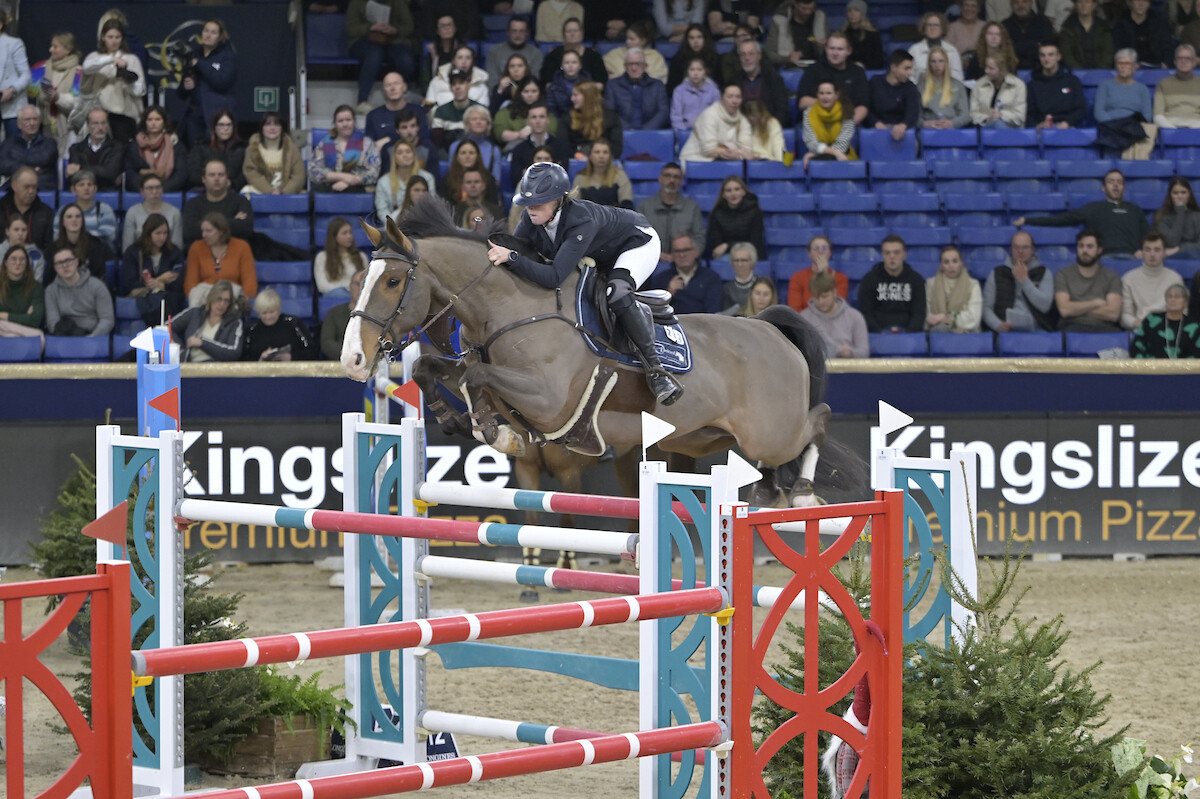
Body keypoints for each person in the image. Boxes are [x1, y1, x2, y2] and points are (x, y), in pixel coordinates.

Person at [488, 162, 684, 405]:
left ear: (558, 200)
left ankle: (657, 371)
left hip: (637, 243)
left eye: (538, 202)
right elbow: (519, 253)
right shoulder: (531, 218)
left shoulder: (581, 220)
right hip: (601, 252)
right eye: (528, 203)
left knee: (617, 291)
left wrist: (512, 258)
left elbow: (553, 277)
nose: (530, 208)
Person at [1016, 169, 1148, 257]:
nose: (1115, 185)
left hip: (1133, 258)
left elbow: (1148, 235)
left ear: (1124, 188)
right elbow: (1062, 219)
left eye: (1119, 182)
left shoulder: (1135, 210)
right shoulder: (1093, 208)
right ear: (1103, 188)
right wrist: (1028, 220)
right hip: (1104, 259)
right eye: (1111, 182)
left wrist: (1143, 251)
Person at [81, 19, 145, 145]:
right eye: (110, 37)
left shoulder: (132, 59)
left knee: (123, 150)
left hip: (124, 114)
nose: (114, 41)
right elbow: (87, 67)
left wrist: (129, 80)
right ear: (103, 37)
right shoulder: (95, 57)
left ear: (122, 38)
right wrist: (111, 59)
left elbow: (139, 91)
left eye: (117, 37)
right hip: (98, 113)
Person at [176, 19, 237, 149]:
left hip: (216, 115)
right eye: (206, 31)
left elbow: (222, 82)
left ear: (220, 36)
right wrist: (186, 86)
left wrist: (199, 63)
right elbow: (181, 93)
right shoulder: (194, 54)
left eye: (213, 32)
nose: (208, 35)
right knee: (195, 153)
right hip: (194, 115)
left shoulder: (227, 56)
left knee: (216, 152)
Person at [345, 0, 416, 111]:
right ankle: (362, 101)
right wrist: (370, 27)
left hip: (394, 41)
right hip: (364, 41)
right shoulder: (357, 2)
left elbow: (409, 26)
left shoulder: (398, 2)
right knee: (374, 55)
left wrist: (394, 29)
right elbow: (350, 28)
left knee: (406, 60)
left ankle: (400, 97)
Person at [981, 231, 1056, 332]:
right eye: (1016, 247)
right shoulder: (997, 273)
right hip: (1004, 329)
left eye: (1025, 247)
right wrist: (997, 325)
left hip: (1036, 330)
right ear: (1011, 249)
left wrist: (1024, 281)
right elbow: (986, 307)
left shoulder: (1044, 273)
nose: (1020, 251)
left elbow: (1045, 306)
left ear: (1032, 249)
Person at [121, 212, 185, 326]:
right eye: (158, 233)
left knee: (171, 299)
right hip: (143, 294)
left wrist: (163, 285)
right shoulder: (133, 252)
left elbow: (178, 281)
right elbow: (128, 283)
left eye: (165, 233)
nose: (162, 237)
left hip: (168, 295)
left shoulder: (174, 252)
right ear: (148, 233)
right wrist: (159, 280)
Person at [1053, 228, 1123, 332]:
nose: (1084, 250)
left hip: (1104, 329)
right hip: (1072, 327)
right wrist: (1095, 303)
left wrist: (1076, 308)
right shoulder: (1063, 274)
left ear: (1099, 250)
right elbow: (1064, 310)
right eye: (1081, 246)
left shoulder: (1111, 276)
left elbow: (1113, 314)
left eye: (1090, 246)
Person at [796, 31, 870, 127]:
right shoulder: (813, 70)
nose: (835, 53)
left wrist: (846, 126)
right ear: (826, 49)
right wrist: (829, 103)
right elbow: (802, 102)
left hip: (847, 123)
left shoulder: (857, 72)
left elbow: (863, 107)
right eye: (831, 48)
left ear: (849, 51)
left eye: (840, 49)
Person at [856, 235, 926, 333]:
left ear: (904, 254)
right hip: (877, 334)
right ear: (882, 255)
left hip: (909, 334)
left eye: (896, 252)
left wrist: (908, 334)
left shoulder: (916, 280)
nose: (892, 256)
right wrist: (878, 332)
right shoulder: (869, 280)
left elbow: (919, 313)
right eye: (887, 253)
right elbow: (865, 313)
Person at [184, 212, 256, 307]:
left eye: (208, 231)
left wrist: (243, 299)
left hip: (231, 295)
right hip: (204, 296)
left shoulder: (242, 247)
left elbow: (250, 282)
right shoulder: (196, 247)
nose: (204, 235)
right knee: (196, 293)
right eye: (203, 231)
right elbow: (190, 283)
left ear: (221, 232)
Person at [1094, 49, 1156, 158]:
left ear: (1135, 66)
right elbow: (1099, 111)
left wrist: (1130, 128)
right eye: (1120, 63)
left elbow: (1146, 114)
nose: (1123, 67)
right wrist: (1115, 126)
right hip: (1111, 127)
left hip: (1134, 128)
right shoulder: (1105, 85)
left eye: (1127, 63)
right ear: (1115, 66)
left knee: (1148, 130)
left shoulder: (1142, 89)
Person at [637, 162, 703, 262]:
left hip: (684, 262)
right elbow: (638, 237)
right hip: (650, 260)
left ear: (681, 181)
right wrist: (656, 254)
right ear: (660, 178)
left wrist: (682, 256)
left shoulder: (692, 207)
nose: (672, 180)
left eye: (676, 177)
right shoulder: (644, 206)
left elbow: (699, 239)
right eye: (667, 176)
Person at [181, 159, 254, 249]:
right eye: (212, 175)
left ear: (227, 178)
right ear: (204, 179)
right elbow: (189, 232)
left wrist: (206, 228)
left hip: (233, 252)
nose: (216, 179)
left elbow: (245, 229)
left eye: (221, 175)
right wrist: (232, 221)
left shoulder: (241, 202)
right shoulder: (193, 204)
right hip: (202, 253)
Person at [44, 245, 114, 337]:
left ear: (76, 262)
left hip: (93, 336)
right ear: (55, 268)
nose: (64, 265)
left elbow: (107, 319)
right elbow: (52, 323)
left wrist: (92, 337)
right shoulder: (51, 291)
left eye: (68, 260)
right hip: (64, 336)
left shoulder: (97, 286)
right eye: (59, 263)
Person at [169, 278, 245, 361]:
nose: (222, 304)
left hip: (216, 367)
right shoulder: (195, 313)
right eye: (219, 299)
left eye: (226, 301)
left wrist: (202, 343)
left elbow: (234, 352)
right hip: (189, 364)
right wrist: (178, 348)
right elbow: (167, 327)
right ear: (211, 298)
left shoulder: (234, 322)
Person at [678, 84, 754, 166]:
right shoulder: (709, 115)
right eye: (730, 97)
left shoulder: (742, 120)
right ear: (721, 98)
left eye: (738, 97)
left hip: (726, 163)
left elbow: (748, 153)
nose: (734, 101)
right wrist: (736, 151)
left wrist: (734, 153)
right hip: (696, 160)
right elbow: (709, 151)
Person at [1121, 232, 1185, 329]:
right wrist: (1138, 324)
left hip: (1169, 329)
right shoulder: (1128, 279)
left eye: (1157, 250)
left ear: (1164, 253)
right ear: (1142, 252)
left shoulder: (1175, 279)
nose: (1152, 254)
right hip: (1140, 328)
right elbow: (1125, 314)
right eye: (1147, 250)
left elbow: (1184, 310)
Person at [309, 105, 379, 193]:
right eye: (340, 121)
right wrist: (343, 177)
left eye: (348, 120)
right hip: (328, 189)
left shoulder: (367, 144)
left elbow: (374, 173)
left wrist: (349, 182)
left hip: (358, 190)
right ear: (335, 123)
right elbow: (313, 171)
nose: (345, 124)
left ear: (354, 121)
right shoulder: (324, 144)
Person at [650, 232, 724, 315]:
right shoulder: (660, 279)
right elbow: (654, 312)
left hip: (702, 322)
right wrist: (669, 294)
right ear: (672, 255)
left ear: (696, 252)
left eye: (686, 250)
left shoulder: (711, 278)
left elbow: (713, 311)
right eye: (677, 251)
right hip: (673, 322)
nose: (682, 255)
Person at [800, 270, 869, 358]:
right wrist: (835, 352)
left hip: (848, 365)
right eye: (816, 297)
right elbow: (802, 353)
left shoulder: (855, 317)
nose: (821, 301)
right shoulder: (804, 319)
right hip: (817, 366)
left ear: (834, 292)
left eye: (824, 296)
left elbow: (864, 352)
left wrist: (850, 353)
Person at [47, 203, 114, 289]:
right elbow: (50, 280)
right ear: (63, 222)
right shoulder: (54, 248)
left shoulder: (96, 246)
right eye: (69, 217)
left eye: (78, 216)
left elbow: (98, 277)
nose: (74, 220)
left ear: (82, 221)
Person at [35, 32, 82, 153]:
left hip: (69, 130)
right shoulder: (43, 68)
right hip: (47, 127)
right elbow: (33, 93)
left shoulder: (79, 73)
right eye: (51, 46)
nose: (50, 50)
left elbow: (79, 104)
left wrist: (57, 97)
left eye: (55, 47)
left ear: (68, 49)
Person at [125, 105, 187, 193]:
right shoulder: (134, 146)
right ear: (144, 122)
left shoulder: (175, 145)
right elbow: (130, 174)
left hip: (168, 191)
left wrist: (159, 189)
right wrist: (147, 188)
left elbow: (180, 175)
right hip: (141, 192)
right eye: (150, 120)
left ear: (164, 122)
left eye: (157, 119)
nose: (153, 123)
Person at [730, 39, 790, 128]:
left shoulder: (774, 79)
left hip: (768, 129)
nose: (747, 58)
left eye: (751, 54)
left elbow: (782, 111)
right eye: (743, 54)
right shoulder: (733, 82)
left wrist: (770, 128)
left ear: (759, 55)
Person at [604, 49, 670, 131]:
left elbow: (663, 112)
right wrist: (628, 129)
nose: (634, 68)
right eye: (630, 64)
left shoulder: (657, 85)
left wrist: (645, 130)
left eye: (638, 64)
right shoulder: (612, 85)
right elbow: (609, 112)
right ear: (625, 66)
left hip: (651, 133)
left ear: (645, 66)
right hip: (622, 132)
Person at [1027, 42, 1087, 129]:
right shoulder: (1032, 85)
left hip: (1068, 128)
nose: (1046, 59)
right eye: (1042, 55)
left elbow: (1080, 109)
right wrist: (1038, 125)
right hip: (1042, 129)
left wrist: (1067, 123)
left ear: (1058, 56)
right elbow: (1028, 114)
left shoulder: (1072, 81)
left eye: (1050, 55)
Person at [242, 112, 305, 195]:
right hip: (261, 191)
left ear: (282, 128)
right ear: (262, 128)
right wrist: (270, 191)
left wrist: (283, 192)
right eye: (268, 124)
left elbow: (298, 176)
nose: (272, 128)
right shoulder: (251, 150)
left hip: (287, 193)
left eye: (276, 124)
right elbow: (251, 174)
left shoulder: (293, 149)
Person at [244, 289, 316, 361]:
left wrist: (291, 357)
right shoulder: (252, 330)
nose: (268, 317)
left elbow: (312, 350)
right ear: (258, 313)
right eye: (264, 313)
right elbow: (244, 358)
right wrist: (260, 360)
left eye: (271, 312)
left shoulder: (293, 323)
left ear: (278, 309)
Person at [1131, 283, 1200, 357]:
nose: (1173, 300)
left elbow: (1196, 353)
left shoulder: (1194, 325)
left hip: (1184, 364)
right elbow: (1137, 347)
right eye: (1169, 296)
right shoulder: (1151, 320)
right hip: (1151, 364)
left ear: (1185, 302)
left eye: (1177, 297)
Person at [365, 72, 429, 151]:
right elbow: (370, 148)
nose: (392, 88)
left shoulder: (418, 111)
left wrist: (388, 139)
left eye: (396, 83)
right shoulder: (373, 116)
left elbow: (421, 140)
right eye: (388, 85)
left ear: (404, 87)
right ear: (384, 90)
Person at [925, 246, 982, 333]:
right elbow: (927, 314)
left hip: (966, 333)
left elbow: (973, 319)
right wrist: (933, 319)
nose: (951, 266)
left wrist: (945, 318)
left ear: (961, 263)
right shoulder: (931, 284)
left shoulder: (973, 285)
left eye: (955, 261)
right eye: (946, 262)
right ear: (941, 265)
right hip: (938, 332)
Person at [0, 106, 58, 191]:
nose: (32, 123)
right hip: (13, 188)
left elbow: (45, 160)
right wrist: (34, 168)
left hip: (41, 187)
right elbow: (3, 166)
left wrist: (17, 166)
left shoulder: (49, 143)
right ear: (19, 124)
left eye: (35, 119)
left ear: (39, 122)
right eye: (27, 119)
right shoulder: (9, 143)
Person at [706, 176, 765, 259]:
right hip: (727, 255)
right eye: (728, 190)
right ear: (723, 195)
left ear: (743, 192)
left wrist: (728, 245)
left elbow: (755, 243)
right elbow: (716, 246)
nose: (733, 194)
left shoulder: (755, 212)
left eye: (737, 189)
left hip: (750, 253)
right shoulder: (716, 214)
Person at [375, 141, 436, 222]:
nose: (405, 155)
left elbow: (430, 205)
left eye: (408, 152)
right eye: (400, 153)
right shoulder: (383, 181)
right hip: (393, 224)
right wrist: (394, 225)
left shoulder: (428, 178)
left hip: (422, 223)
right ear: (394, 158)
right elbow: (382, 210)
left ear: (414, 155)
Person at [867, 50, 921, 140]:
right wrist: (875, 122)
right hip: (876, 128)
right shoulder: (875, 82)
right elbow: (866, 107)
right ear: (893, 67)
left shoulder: (911, 88)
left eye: (911, 69)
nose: (910, 73)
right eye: (906, 69)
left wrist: (904, 125)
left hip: (902, 130)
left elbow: (913, 113)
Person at [494, 79, 560, 151]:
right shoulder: (505, 112)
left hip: (543, 150)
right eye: (526, 91)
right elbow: (500, 134)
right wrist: (520, 134)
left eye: (534, 91)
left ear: (540, 93)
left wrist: (531, 132)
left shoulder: (548, 113)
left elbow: (551, 131)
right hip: (513, 150)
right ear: (519, 93)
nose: (530, 95)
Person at [510, 103, 572, 180]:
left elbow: (562, 176)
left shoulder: (561, 147)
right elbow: (516, 178)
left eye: (542, 117)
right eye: (534, 117)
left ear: (548, 120)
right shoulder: (519, 150)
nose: (538, 121)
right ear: (527, 121)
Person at [801, 81, 856, 166]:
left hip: (843, 155)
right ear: (817, 95)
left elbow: (843, 144)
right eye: (821, 93)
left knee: (815, 162)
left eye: (829, 93)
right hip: (821, 154)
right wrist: (834, 153)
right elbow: (811, 143)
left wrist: (815, 155)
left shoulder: (847, 111)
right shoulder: (808, 113)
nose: (825, 97)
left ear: (836, 95)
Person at [123, 173, 183, 252]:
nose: (154, 192)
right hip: (140, 256)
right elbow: (127, 247)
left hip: (167, 256)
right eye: (150, 188)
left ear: (162, 190)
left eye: (158, 188)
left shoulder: (174, 212)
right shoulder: (132, 212)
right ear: (142, 191)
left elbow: (177, 246)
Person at [187, 111, 245, 191]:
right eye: (221, 125)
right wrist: (211, 182)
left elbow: (243, 176)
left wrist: (231, 183)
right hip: (204, 190)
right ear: (214, 127)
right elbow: (193, 174)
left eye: (229, 125)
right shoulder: (201, 147)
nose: (225, 128)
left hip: (231, 190)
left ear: (233, 127)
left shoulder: (240, 149)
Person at [66, 108, 123, 190]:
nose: (100, 128)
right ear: (88, 125)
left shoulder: (117, 147)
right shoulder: (76, 149)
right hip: (83, 192)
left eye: (103, 123)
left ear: (108, 124)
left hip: (107, 192)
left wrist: (80, 168)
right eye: (95, 123)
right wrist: (102, 173)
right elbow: (74, 176)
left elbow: (110, 173)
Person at [541, 18, 607, 88]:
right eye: (568, 31)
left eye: (575, 31)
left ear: (582, 33)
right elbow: (546, 81)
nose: (572, 34)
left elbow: (601, 82)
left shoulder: (594, 56)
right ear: (563, 35)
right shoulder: (553, 55)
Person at [787, 234, 847, 311]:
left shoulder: (841, 278)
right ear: (809, 253)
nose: (820, 251)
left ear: (830, 252)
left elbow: (837, 307)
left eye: (824, 248)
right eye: (815, 248)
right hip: (804, 317)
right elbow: (794, 310)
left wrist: (824, 275)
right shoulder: (797, 277)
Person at [0, 167, 54, 252]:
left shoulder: (46, 213)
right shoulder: (2, 209)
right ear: (14, 186)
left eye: (34, 187)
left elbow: (49, 247)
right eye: (26, 187)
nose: (31, 191)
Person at [432, 71, 487, 150]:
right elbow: (437, 143)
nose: (457, 87)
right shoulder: (441, 111)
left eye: (461, 83)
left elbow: (486, 138)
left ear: (469, 85)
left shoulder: (481, 110)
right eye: (453, 84)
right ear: (450, 88)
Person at [313, 217, 367, 298]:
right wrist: (348, 288)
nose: (349, 236)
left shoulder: (361, 256)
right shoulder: (322, 257)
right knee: (339, 293)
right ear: (334, 236)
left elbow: (365, 282)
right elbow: (322, 286)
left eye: (350, 232)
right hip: (334, 297)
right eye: (344, 233)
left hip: (356, 295)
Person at [61, 170, 117, 249]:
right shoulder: (64, 210)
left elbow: (108, 236)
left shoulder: (105, 210)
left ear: (95, 189)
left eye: (89, 184)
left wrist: (76, 236)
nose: (86, 188)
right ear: (73, 190)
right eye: (81, 185)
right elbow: (58, 235)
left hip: (98, 251)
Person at [450, 106, 503, 185]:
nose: (478, 122)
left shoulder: (494, 150)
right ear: (467, 123)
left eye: (483, 119)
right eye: (474, 119)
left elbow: (496, 181)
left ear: (488, 124)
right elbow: (452, 176)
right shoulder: (455, 147)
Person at [567, 81, 623, 158]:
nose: (572, 99)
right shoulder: (568, 118)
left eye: (575, 95)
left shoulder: (611, 118)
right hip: (578, 159)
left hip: (603, 160)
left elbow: (616, 148)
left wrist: (598, 157)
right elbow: (563, 146)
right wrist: (578, 155)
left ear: (588, 97)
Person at [970, 55, 1027, 130]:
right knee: (997, 124)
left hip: (1011, 128)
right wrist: (987, 118)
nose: (986, 71)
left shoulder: (1018, 86)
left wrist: (1001, 115)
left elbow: (1020, 116)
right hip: (985, 127)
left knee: (998, 124)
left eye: (991, 68)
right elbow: (973, 114)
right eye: (986, 67)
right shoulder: (979, 84)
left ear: (1002, 70)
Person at [920, 48, 971, 129]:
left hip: (951, 129)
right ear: (929, 64)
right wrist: (925, 124)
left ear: (946, 63)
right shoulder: (921, 86)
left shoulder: (958, 85)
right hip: (928, 130)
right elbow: (914, 116)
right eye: (933, 61)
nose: (937, 65)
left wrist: (952, 123)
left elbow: (965, 115)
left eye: (941, 61)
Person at [320, 268, 366, 360]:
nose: (360, 288)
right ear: (350, 287)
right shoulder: (335, 313)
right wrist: (349, 355)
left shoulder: (379, 315)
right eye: (357, 284)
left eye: (364, 285)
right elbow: (326, 343)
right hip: (340, 362)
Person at [572, 139, 632, 208]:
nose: (601, 156)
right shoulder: (581, 177)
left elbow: (627, 205)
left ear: (610, 156)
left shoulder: (620, 176)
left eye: (605, 152)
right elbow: (573, 205)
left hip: (613, 214)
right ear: (590, 156)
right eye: (597, 152)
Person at [0, 245, 44, 339]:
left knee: (39, 337)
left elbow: (35, 320)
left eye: (22, 259)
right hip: (11, 334)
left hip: (25, 336)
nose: (18, 263)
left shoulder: (36, 288)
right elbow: (30, 320)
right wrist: (25, 317)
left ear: (27, 263)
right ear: (6, 263)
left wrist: (4, 315)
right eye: (13, 259)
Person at [603, 21, 669, 83]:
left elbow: (659, 79)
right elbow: (603, 70)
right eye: (627, 38)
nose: (627, 41)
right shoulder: (615, 53)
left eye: (632, 39)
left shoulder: (655, 56)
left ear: (643, 41)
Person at [766, 0, 827, 67]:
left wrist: (825, 46)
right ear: (795, 4)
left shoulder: (820, 17)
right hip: (788, 66)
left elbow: (829, 47)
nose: (808, 12)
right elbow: (770, 52)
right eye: (804, 8)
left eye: (811, 8)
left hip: (817, 65)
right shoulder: (779, 20)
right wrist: (787, 59)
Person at [440, 138, 499, 207]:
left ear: (477, 156)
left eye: (471, 153)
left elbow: (493, 205)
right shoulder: (448, 179)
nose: (467, 156)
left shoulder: (487, 178)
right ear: (457, 157)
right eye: (463, 153)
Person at [425, 46, 490, 108]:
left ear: (472, 61)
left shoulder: (481, 85)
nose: (464, 62)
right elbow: (429, 108)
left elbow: (483, 111)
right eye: (460, 58)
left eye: (468, 58)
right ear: (453, 60)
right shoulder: (437, 81)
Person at [1114, 0, 1173, 68]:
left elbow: (1167, 47)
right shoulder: (1121, 25)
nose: (1141, 4)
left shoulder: (1159, 24)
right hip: (1129, 67)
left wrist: (1166, 63)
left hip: (1156, 67)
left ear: (1149, 4)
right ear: (1130, 3)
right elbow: (1118, 49)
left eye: (1145, 0)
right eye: (1137, 0)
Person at [486, 16, 543, 86]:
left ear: (527, 33)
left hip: (527, 91)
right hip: (501, 90)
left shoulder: (535, 53)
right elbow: (492, 81)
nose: (517, 35)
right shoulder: (494, 51)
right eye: (514, 31)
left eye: (521, 31)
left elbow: (535, 81)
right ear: (508, 32)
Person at [909, 12, 965, 84]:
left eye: (936, 25)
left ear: (942, 29)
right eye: (929, 25)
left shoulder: (952, 50)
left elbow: (958, 78)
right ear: (924, 28)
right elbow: (910, 76)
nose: (932, 28)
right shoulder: (914, 50)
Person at [0, 12, 29, 144]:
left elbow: (26, 75)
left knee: (14, 147)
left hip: (12, 105)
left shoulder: (14, 43)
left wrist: (12, 90)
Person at [1060, 0, 1115, 70]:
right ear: (1076, 5)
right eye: (1080, 2)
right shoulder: (1068, 27)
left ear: (1094, 5)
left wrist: (1098, 72)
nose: (1084, 5)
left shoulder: (1103, 27)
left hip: (1101, 72)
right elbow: (1067, 55)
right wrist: (1080, 72)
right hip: (1075, 72)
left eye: (1087, 2)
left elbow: (1108, 53)